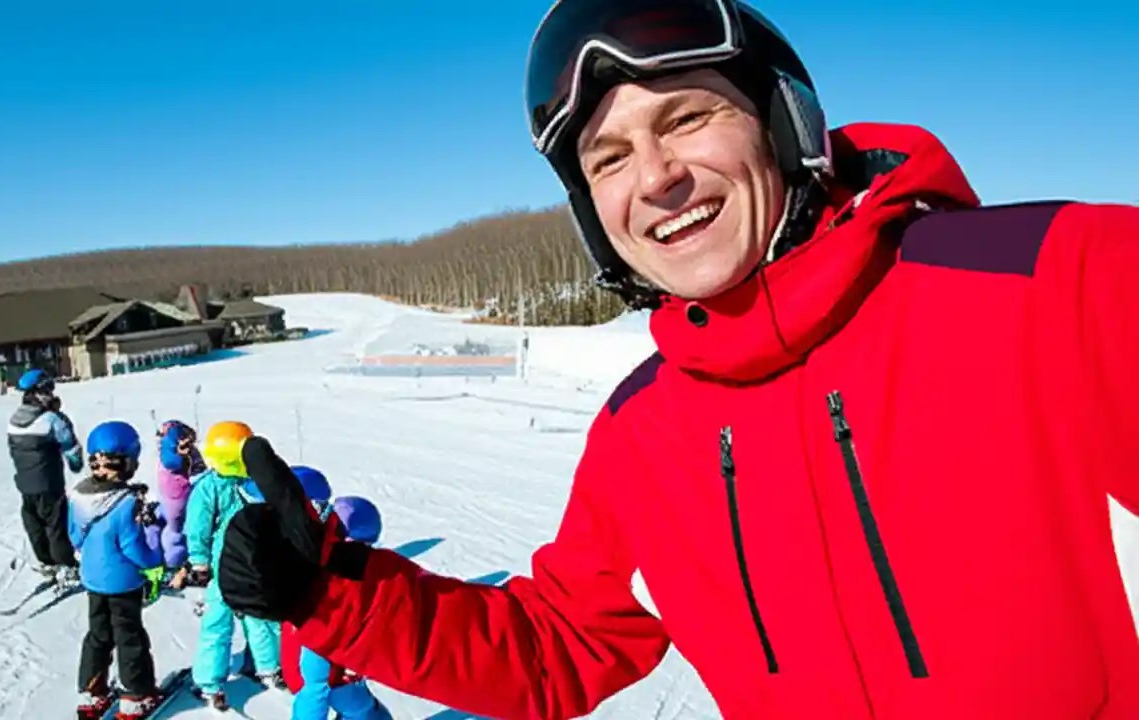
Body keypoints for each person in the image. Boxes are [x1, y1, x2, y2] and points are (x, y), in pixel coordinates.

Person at [215, 1, 1139, 718]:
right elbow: (560, 645)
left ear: (786, 125)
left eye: (688, 118)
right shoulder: (643, 429)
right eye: (609, 158)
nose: (655, 177)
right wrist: (336, 597)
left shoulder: (1065, 284)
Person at [184, 421, 285, 710]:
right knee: (260, 620)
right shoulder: (256, 482)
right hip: (253, 567)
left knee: (217, 625)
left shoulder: (208, 488)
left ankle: (209, 682)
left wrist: (199, 562)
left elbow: (198, 527)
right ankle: (269, 667)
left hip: (224, 568)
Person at [68, 420, 165, 720]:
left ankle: (92, 692)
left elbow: (74, 536)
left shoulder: (78, 495)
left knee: (98, 634)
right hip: (123, 582)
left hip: (93, 580)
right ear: (127, 462)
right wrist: (155, 560)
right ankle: (136, 695)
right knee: (129, 635)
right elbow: (132, 547)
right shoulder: (125, 502)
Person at [289, 496, 392, 720]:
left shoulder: (313, 565)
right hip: (331, 670)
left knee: (316, 692)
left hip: (314, 664)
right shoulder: (346, 578)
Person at [6, 367, 83, 585]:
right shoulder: (51, 420)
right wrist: (76, 464)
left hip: (25, 484)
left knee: (34, 524)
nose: (52, 393)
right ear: (37, 392)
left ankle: (46, 562)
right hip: (49, 482)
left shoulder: (13, 421)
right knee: (55, 524)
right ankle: (67, 565)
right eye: (48, 388)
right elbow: (70, 446)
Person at [154, 419, 205, 587]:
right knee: (176, 529)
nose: (189, 447)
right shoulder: (170, 456)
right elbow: (174, 462)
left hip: (177, 494)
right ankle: (173, 562)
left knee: (175, 524)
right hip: (176, 497)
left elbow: (199, 469)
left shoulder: (184, 452)